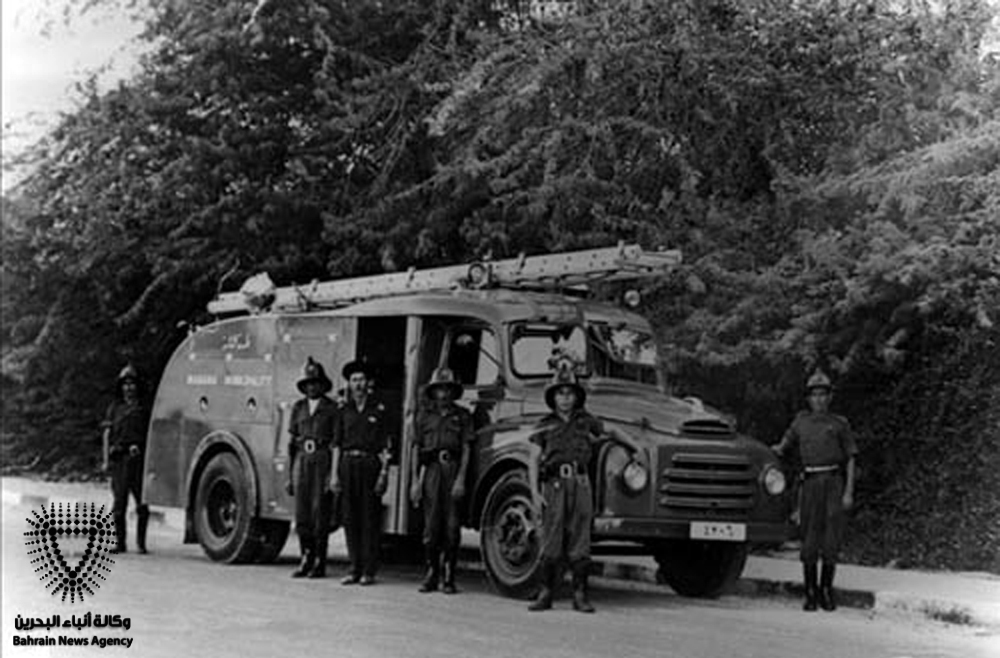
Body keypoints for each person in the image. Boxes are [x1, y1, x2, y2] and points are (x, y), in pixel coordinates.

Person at [526, 358, 641, 613]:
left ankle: (580, 595)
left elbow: (611, 431)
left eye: (570, 393)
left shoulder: (585, 421)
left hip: (580, 484)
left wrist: (636, 447)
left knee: (581, 538)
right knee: (551, 537)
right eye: (560, 393)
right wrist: (534, 492)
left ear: (577, 397)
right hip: (554, 485)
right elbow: (533, 458)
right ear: (553, 397)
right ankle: (546, 593)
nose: (565, 398)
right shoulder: (544, 424)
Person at [772, 370, 858, 612]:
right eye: (814, 395)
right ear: (808, 399)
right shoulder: (801, 422)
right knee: (809, 538)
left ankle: (826, 590)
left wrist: (848, 492)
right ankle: (810, 592)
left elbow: (851, 458)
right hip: (810, 483)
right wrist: (776, 449)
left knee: (831, 537)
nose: (819, 399)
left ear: (830, 397)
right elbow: (784, 445)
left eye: (823, 395)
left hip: (833, 482)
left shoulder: (839, 424)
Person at [409, 367, 474, 594]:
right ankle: (431, 573)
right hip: (432, 471)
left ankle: (449, 576)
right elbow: (416, 448)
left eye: (448, 389)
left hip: (452, 470)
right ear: (433, 392)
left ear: (453, 392)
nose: (444, 394)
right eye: (439, 389)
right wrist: (415, 481)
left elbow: (466, 448)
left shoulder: (462, 416)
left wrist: (461, 479)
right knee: (431, 526)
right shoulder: (424, 417)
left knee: (452, 526)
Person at [331, 360, 389, 586]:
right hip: (348, 464)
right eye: (354, 380)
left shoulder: (379, 410)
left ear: (368, 383)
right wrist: (334, 475)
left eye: (362, 379)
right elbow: (337, 444)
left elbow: (386, 447)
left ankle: (368, 570)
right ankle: (354, 568)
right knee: (350, 518)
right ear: (349, 383)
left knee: (369, 518)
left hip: (370, 464)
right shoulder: (343, 411)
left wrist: (383, 474)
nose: (358, 384)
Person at [286, 357, 339, 578]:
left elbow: (335, 442)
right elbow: (291, 444)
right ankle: (305, 558)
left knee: (320, 512)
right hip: (302, 460)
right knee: (302, 513)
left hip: (322, 459)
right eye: (308, 384)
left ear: (322, 385)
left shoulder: (331, 408)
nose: (311, 387)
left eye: (315, 383)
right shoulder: (298, 408)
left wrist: (332, 474)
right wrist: (290, 475)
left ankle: (319, 560)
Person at [102, 364, 151, 554]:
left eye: (132, 384)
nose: (129, 388)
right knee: (119, 505)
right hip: (119, 460)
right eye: (125, 384)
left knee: (142, 504)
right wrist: (106, 460)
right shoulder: (115, 408)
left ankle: (141, 544)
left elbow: (150, 434)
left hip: (138, 460)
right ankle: (120, 543)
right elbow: (107, 434)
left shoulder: (143, 408)